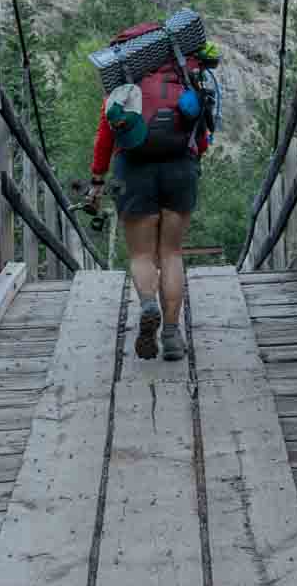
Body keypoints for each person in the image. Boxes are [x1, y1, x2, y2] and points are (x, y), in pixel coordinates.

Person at [84, 30, 222, 360]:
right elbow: (201, 139)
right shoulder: (185, 78)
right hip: (179, 168)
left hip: (133, 170)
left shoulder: (123, 84)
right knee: (171, 253)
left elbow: (105, 138)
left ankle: (148, 306)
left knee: (142, 256)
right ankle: (173, 337)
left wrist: (97, 180)